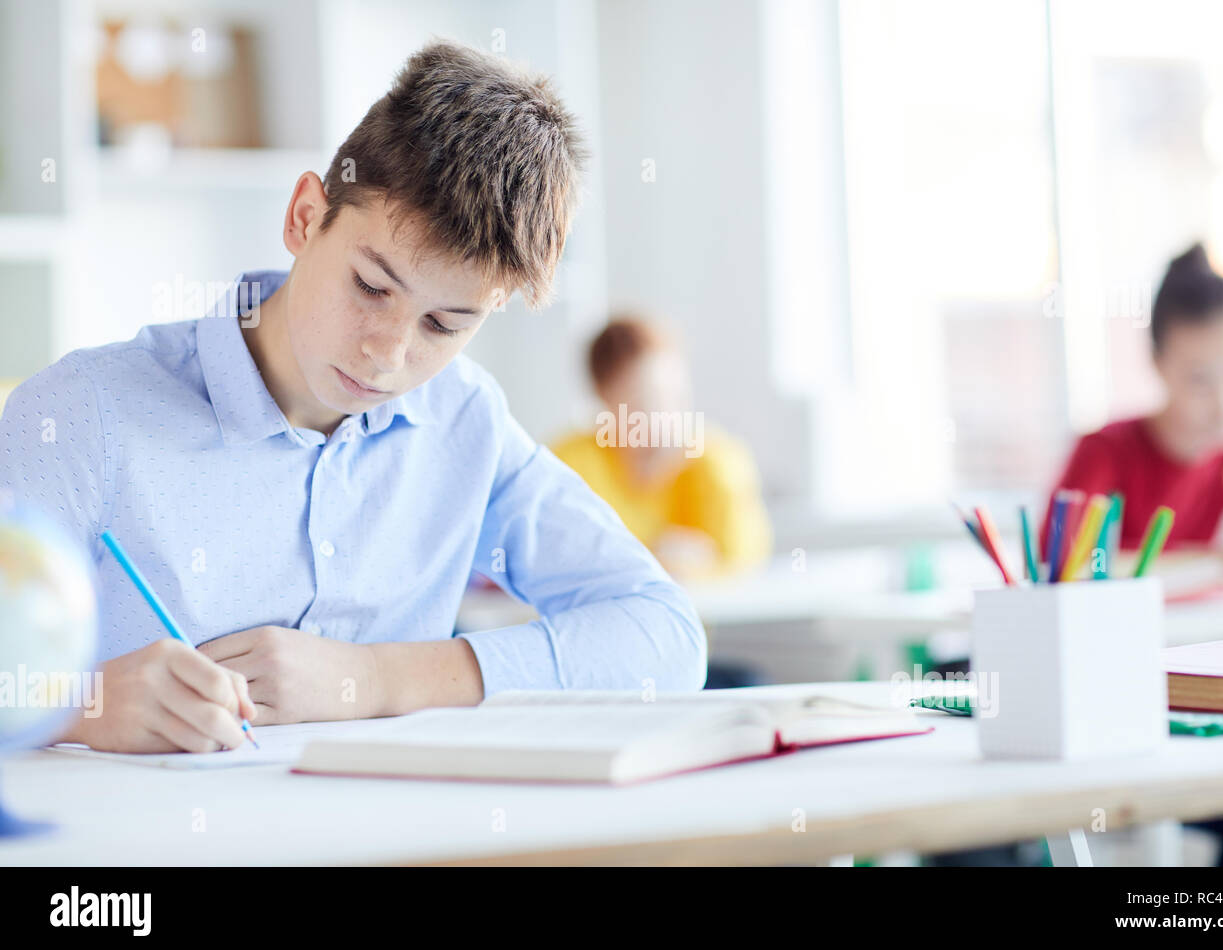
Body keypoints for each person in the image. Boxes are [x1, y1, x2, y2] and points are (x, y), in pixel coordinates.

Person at [0, 41, 706, 755]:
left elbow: (665, 638)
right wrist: (78, 706)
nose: (388, 353)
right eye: (372, 287)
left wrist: (372, 677)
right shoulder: (78, 415)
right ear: (305, 216)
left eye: (444, 324)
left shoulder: (463, 421)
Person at [1042, 242, 1223, 568]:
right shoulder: (1104, 450)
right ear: (1158, 364)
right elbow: (1058, 562)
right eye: (1199, 378)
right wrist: (1213, 560)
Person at [551, 315, 773, 581]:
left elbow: (747, 556)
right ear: (604, 398)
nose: (663, 412)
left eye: (674, 395)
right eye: (642, 399)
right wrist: (651, 556)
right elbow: (559, 556)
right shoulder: (574, 461)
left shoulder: (711, 457)